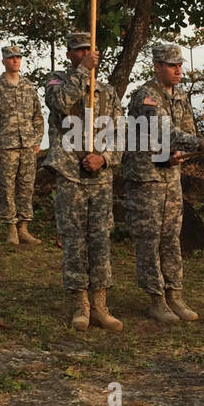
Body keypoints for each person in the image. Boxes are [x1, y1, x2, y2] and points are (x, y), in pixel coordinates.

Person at [122, 43, 204, 322]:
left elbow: (186, 131)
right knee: (149, 238)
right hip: (146, 177)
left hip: (170, 177)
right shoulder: (146, 96)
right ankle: (156, 299)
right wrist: (203, 145)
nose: (178, 69)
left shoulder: (180, 94)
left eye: (180, 64)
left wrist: (185, 152)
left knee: (171, 236)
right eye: (172, 65)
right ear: (157, 67)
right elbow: (162, 131)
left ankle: (175, 295)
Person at [43, 32, 124, 331]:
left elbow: (119, 132)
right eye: (79, 51)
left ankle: (101, 304)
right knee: (75, 240)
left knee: (100, 238)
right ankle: (81, 305)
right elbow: (61, 104)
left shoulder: (107, 91)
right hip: (69, 172)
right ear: (70, 55)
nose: (86, 54)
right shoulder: (56, 82)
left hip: (100, 176)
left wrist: (104, 158)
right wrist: (81, 72)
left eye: (90, 50)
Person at [0, 45, 45, 245]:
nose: (15, 60)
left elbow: (38, 116)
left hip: (27, 145)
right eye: (10, 58)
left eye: (17, 57)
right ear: (3, 61)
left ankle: (23, 227)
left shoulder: (28, 86)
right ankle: (11, 228)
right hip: (5, 146)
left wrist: (36, 140)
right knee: (6, 187)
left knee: (26, 186)